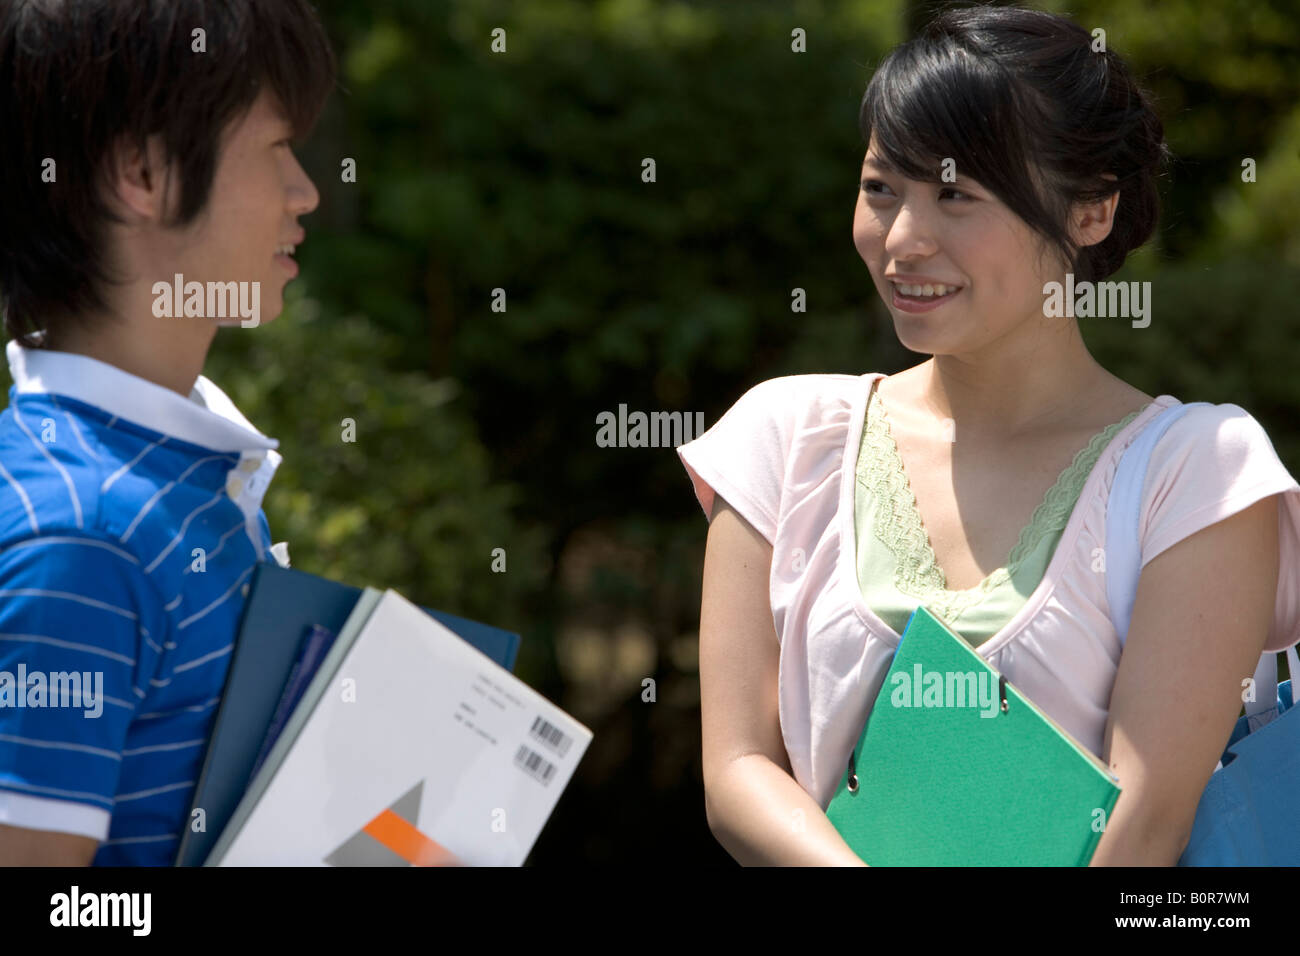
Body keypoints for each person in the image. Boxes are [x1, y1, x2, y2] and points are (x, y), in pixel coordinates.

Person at [678, 6, 1300, 866]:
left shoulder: (1199, 475)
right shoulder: (784, 440)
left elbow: (1143, 828)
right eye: (880, 188)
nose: (902, 240)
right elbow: (738, 769)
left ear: (1091, 211)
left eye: (955, 196)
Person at [0, 0, 335, 865]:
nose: (306, 190)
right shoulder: (78, 537)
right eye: (274, 149)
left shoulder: (173, 474)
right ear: (144, 174)